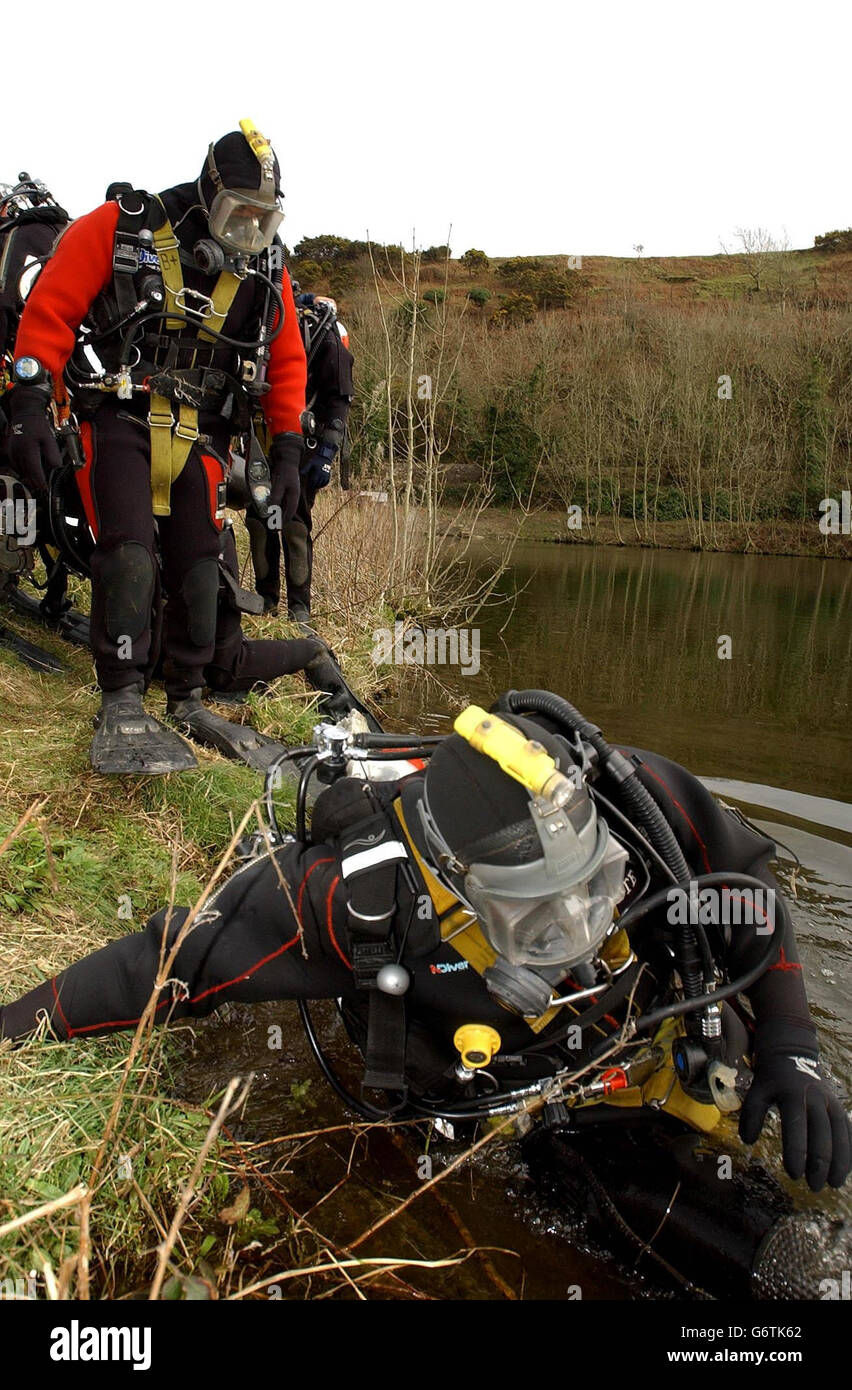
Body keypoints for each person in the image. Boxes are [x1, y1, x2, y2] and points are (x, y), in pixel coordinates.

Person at [2, 690, 848, 1213]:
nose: (583, 934)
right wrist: (11, 1028)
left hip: (640, 1029)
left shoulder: (636, 798)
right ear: (453, 890)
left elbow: (743, 886)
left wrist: (793, 1050)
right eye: (542, 918)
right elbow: (173, 960)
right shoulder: (357, 898)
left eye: (598, 890)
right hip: (498, 1088)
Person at [6, 123, 307, 775]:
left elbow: (285, 360)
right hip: (119, 414)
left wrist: (287, 447)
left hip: (200, 431)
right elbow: (52, 308)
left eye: (266, 219)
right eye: (239, 215)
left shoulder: (266, 267)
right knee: (131, 555)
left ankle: (188, 695)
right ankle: (121, 698)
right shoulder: (126, 226)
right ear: (209, 191)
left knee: (201, 568)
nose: (250, 232)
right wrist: (30, 398)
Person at [247, 288, 354, 621]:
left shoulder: (322, 337)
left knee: (293, 522)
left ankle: (299, 607)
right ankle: (266, 600)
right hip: (259, 435)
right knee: (260, 519)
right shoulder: (256, 318)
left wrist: (325, 453)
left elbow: (339, 400)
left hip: (306, 439)